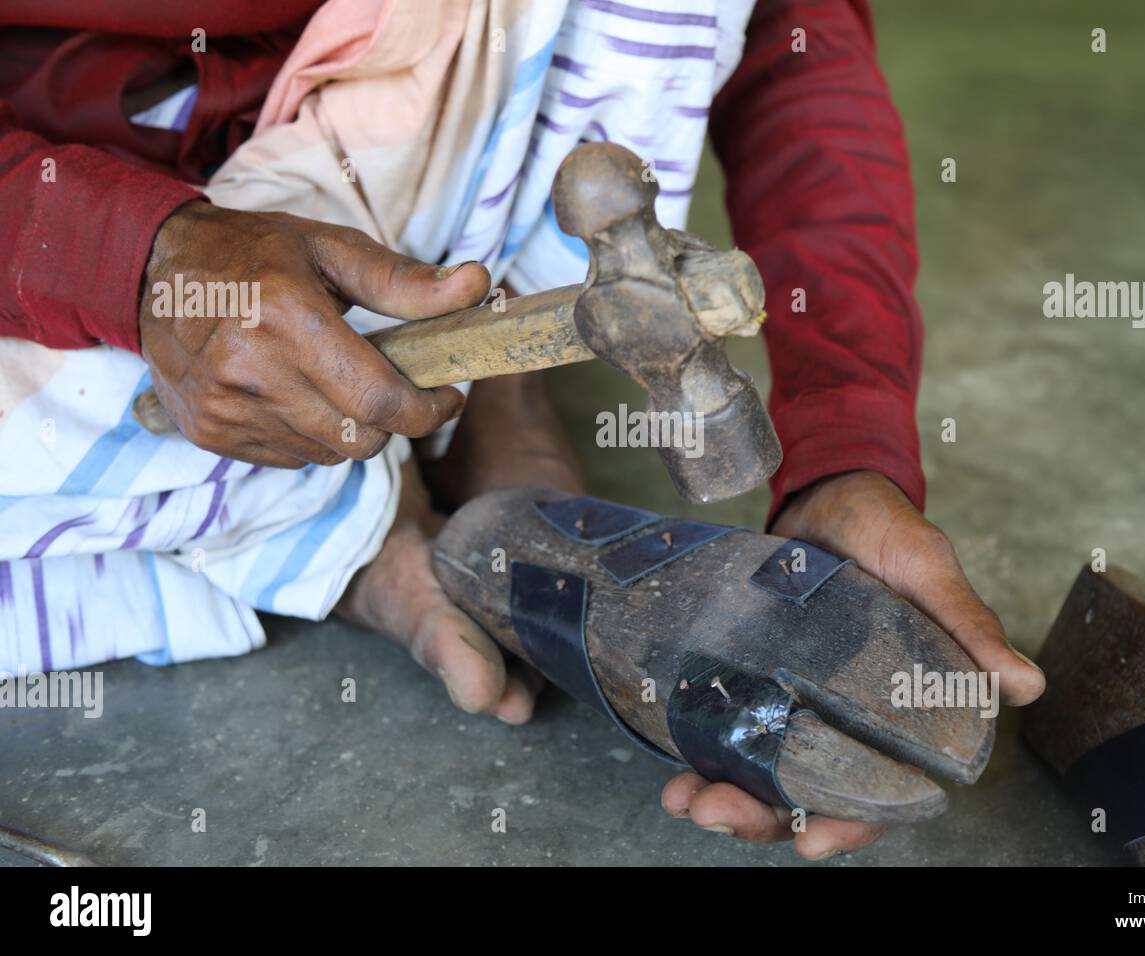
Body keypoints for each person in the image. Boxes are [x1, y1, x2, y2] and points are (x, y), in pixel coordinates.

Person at [0, 0, 1044, 860]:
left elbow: (791, 36)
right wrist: (128, 260)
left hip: (393, 102)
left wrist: (847, 445)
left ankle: (496, 340)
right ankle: (338, 522)